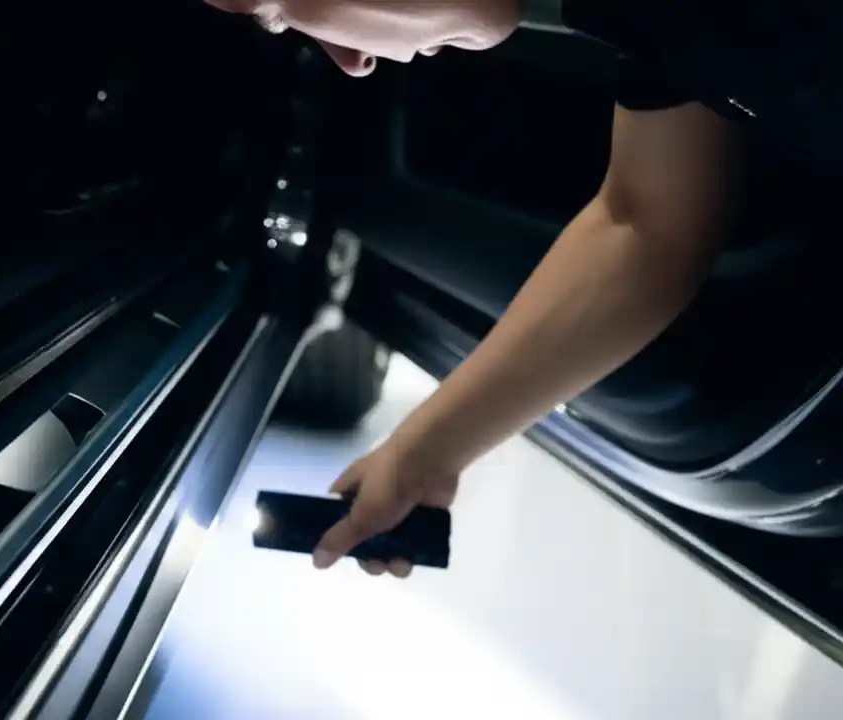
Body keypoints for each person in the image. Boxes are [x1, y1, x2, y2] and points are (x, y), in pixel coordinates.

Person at [203, 0, 842, 577]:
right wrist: (422, 453)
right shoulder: (651, 22)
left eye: (285, 14)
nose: (351, 59)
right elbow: (643, 228)